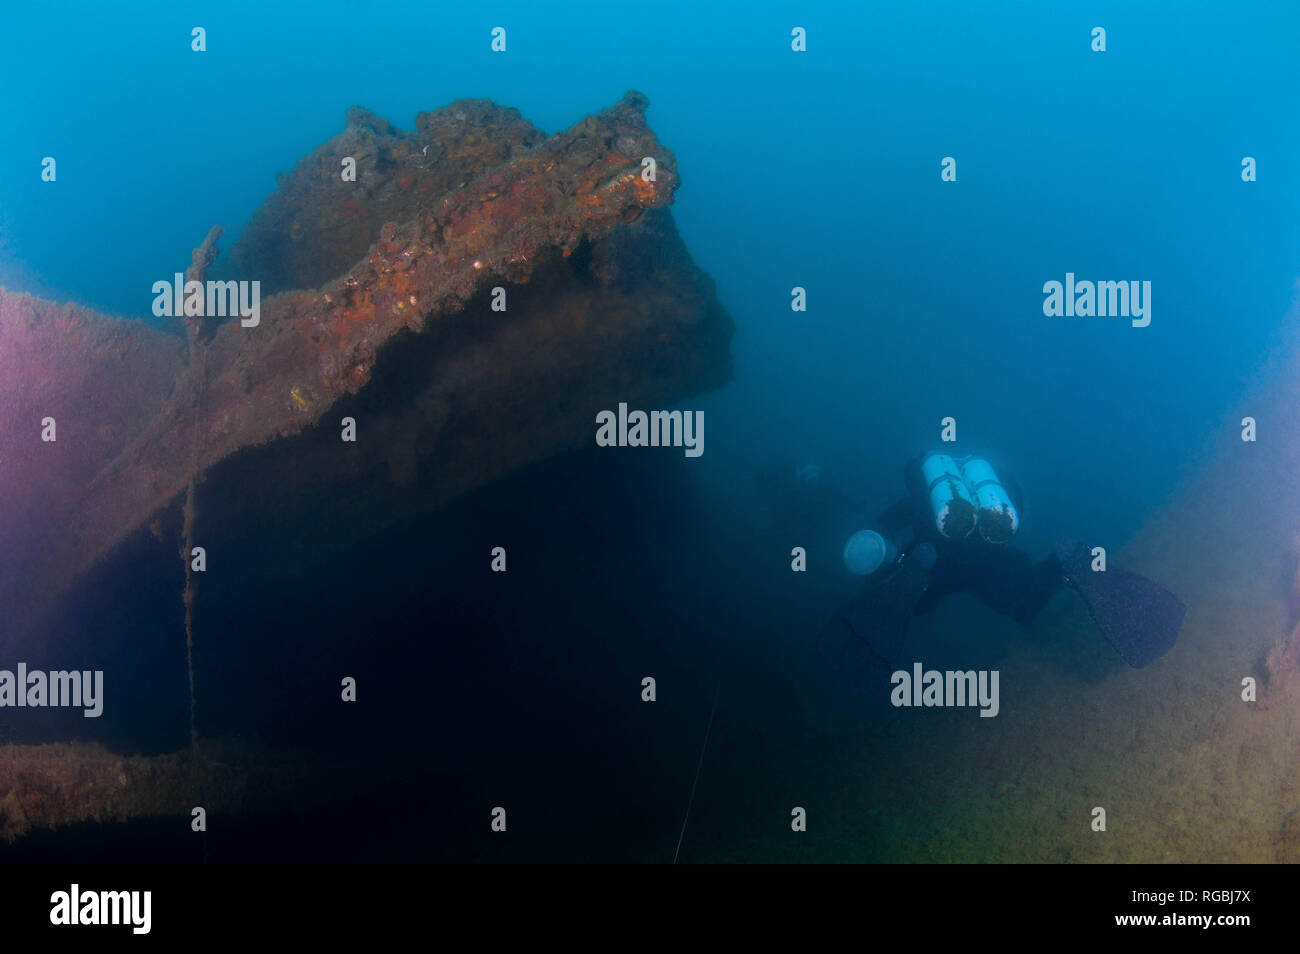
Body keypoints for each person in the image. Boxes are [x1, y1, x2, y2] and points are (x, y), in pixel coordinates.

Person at [819, 453, 1185, 704]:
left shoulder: (914, 504)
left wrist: (889, 567)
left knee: (917, 596)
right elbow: (1014, 514)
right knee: (1028, 602)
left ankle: (915, 570)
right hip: (985, 556)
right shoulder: (982, 493)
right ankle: (1066, 560)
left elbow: (874, 541)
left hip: (938, 568)